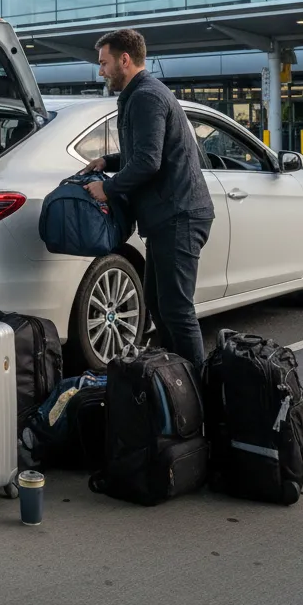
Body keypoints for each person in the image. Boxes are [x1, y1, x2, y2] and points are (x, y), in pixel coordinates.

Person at [82, 29, 214, 371]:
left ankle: (196, 392)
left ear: (125, 60)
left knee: (177, 309)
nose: (101, 72)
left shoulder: (146, 97)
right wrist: (107, 161)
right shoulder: (139, 94)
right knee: (158, 304)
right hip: (167, 217)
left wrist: (108, 188)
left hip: (180, 215)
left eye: (104, 63)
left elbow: (148, 161)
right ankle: (176, 382)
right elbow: (141, 151)